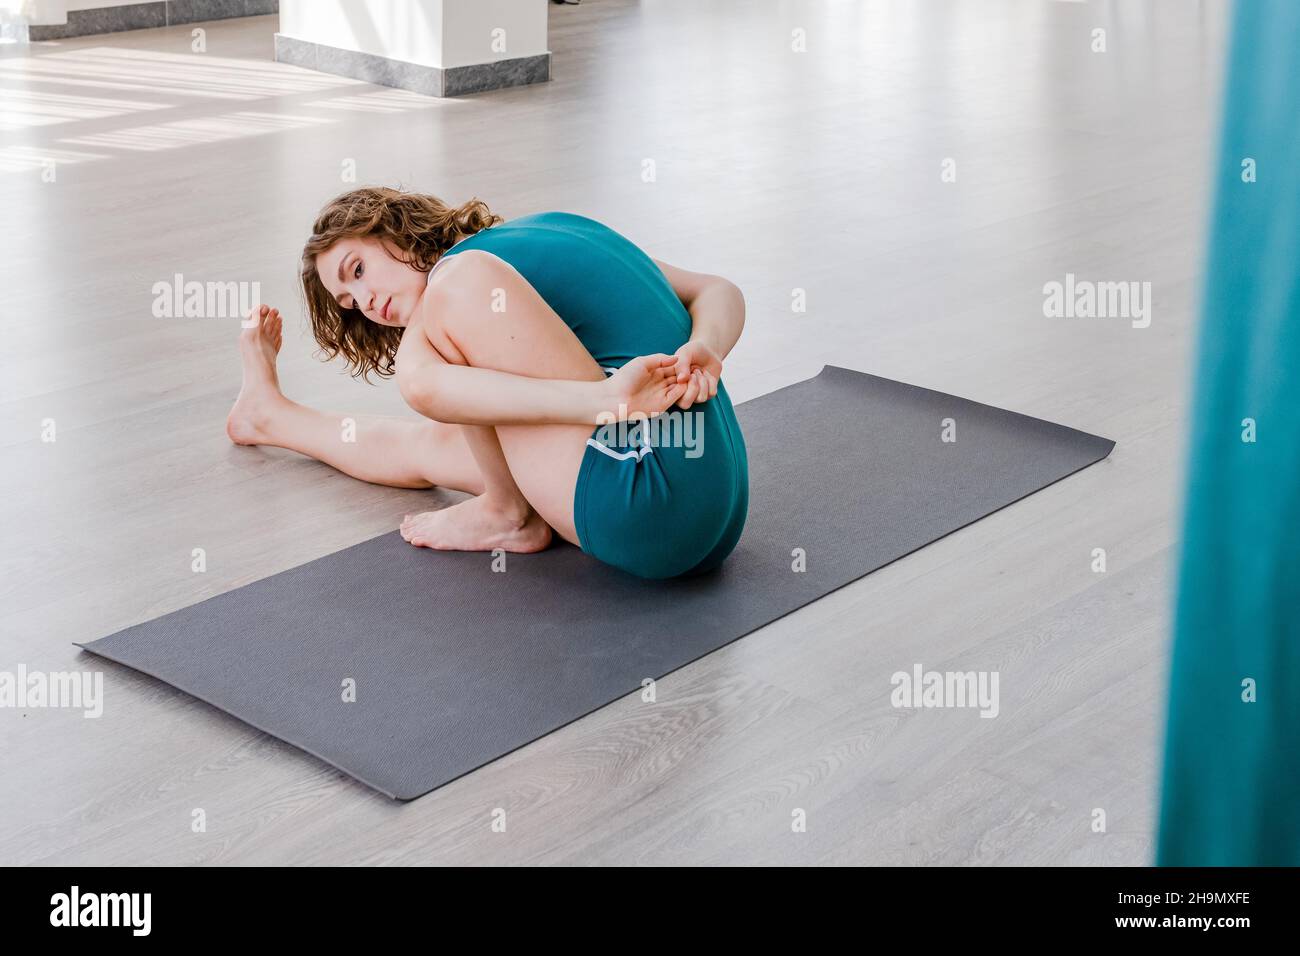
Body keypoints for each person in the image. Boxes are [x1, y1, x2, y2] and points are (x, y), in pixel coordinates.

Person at [226, 187, 749, 580]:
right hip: (714, 507)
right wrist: (706, 348)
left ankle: (506, 512)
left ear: (393, 228)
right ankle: (268, 415)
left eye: (358, 270)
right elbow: (716, 289)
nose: (364, 303)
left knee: (454, 314)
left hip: (643, 505)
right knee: (435, 446)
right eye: (349, 302)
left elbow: (419, 385)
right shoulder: (554, 229)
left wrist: (606, 400)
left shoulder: (461, 278)